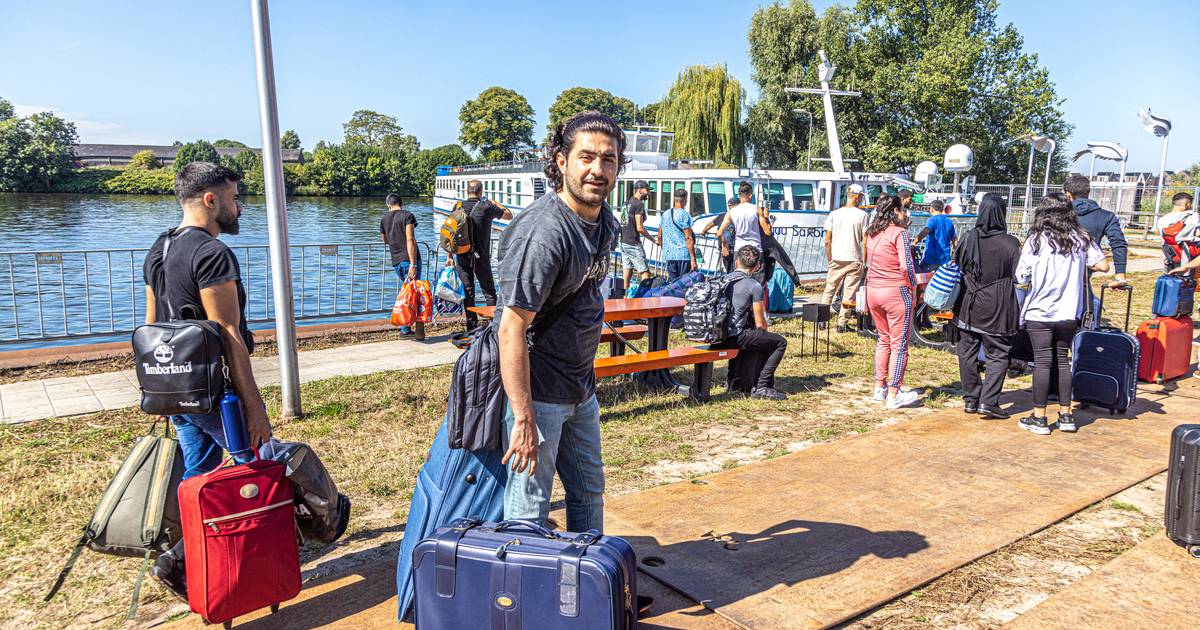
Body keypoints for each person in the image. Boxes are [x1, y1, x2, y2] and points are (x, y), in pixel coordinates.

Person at [142, 162, 271, 600]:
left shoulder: (159, 248)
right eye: (234, 198)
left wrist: (157, 388)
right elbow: (228, 332)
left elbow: (151, 326)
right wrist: (254, 407)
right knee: (256, 464)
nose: (240, 207)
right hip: (215, 392)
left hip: (174, 387)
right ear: (211, 200)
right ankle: (183, 560)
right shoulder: (213, 253)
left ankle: (191, 551)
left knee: (199, 471)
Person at [496, 110, 622, 537]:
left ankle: (588, 572)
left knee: (588, 493)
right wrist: (523, 417)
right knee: (529, 509)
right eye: (586, 157)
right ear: (562, 161)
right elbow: (511, 328)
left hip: (580, 388)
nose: (597, 170)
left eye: (608, 159)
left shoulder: (604, 220)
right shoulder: (545, 233)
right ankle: (522, 579)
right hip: (540, 395)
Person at [1015, 193, 1109, 435]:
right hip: (1069, 310)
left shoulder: (1036, 240)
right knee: (1063, 360)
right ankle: (1066, 414)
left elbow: (1021, 275)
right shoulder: (1082, 238)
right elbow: (1103, 265)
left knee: (1042, 362)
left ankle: (1039, 417)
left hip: (1040, 309)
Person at [953, 194, 1021, 419]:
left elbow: (957, 265)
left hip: (968, 305)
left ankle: (971, 398)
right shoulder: (1010, 243)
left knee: (967, 351)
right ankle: (988, 401)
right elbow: (1019, 275)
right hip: (998, 306)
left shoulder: (968, 237)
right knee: (998, 353)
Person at [864, 194, 921, 409]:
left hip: (873, 290)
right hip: (896, 290)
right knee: (899, 344)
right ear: (895, 211)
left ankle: (880, 387)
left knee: (883, 340)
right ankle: (894, 393)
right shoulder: (900, 233)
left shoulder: (872, 232)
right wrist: (913, 287)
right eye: (902, 210)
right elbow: (906, 266)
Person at [715, 245, 789, 400]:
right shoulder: (754, 286)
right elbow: (761, 323)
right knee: (779, 342)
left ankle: (734, 381)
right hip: (735, 337)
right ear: (758, 266)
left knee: (756, 337)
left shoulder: (722, 280)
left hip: (716, 336)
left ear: (737, 262)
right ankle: (761, 386)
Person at [455, 180, 512, 331]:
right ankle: (493, 326)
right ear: (481, 192)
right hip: (481, 257)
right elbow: (509, 215)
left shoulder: (458, 206)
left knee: (468, 292)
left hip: (462, 256)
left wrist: (449, 256)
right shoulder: (487, 207)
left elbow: (452, 232)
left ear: (467, 191)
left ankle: (471, 327)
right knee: (489, 291)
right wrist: (496, 203)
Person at [1063, 175, 1128, 292]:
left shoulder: (1056, 215)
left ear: (1068, 194)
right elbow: (1118, 243)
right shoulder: (1106, 216)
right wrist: (1120, 275)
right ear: (1088, 192)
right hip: (1083, 277)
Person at [822, 183, 869, 333]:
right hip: (854, 258)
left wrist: (830, 259)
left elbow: (827, 240)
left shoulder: (834, 214)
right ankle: (842, 324)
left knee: (829, 289)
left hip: (836, 257)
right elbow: (865, 240)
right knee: (849, 293)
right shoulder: (863, 215)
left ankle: (821, 320)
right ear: (857, 197)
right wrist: (864, 261)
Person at [380, 193, 423, 339]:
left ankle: (406, 327)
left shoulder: (384, 219)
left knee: (406, 292)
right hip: (409, 260)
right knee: (412, 294)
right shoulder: (408, 216)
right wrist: (413, 264)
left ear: (388, 204)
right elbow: (410, 239)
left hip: (396, 261)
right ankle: (406, 329)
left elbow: (385, 240)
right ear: (401, 203)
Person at [716, 182, 772, 280]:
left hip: (739, 251)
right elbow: (768, 232)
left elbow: (719, 233)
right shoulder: (756, 209)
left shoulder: (732, 211)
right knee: (758, 283)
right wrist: (766, 217)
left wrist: (724, 244)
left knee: (738, 281)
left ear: (739, 195)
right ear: (750, 195)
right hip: (755, 250)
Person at [619, 180, 654, 290]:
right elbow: (640, 228)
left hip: (623, 241)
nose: (648, 193)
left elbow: (624, 221)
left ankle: (624, 296)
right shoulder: (638, 204)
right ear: (640, 190)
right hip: (633, 243)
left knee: (627, 271)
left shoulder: (627, 202)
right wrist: (654, 240)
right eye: (647, 190)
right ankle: (642, 296)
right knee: (646, 273)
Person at [659, 187, 698, 280]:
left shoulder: (665, 214)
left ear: (674, 199)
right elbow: (688, 238)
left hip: (669, 255)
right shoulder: (684, 215)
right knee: (684, 283)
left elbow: (659, 235)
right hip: (683, 256)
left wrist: (665, 249)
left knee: (674, 284)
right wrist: (693, 258)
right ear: (685, 200)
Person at [1157, 192, 1197, 272]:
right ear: (1186, 204)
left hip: (1170, 256)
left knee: (1171, 277)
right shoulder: (1191, 217)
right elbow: (1197, 233)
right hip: (1190, 257)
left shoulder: (1161, 220)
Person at [915, 200, 958, 273]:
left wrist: (914, 242)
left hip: (931, 259)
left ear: (931, 209)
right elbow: (954, 239)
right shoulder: (949, 221)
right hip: (945, 260)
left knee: (925, 278)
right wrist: (956, 251)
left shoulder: (932, 220)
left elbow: (926, 231)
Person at [701, 197, 740, 272]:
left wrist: (703, 232)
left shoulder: (722, 216)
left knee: (728, 270)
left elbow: (709, 225)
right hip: (736, 247)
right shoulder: (740, 216)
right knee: (737, 270)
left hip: (724, 248)